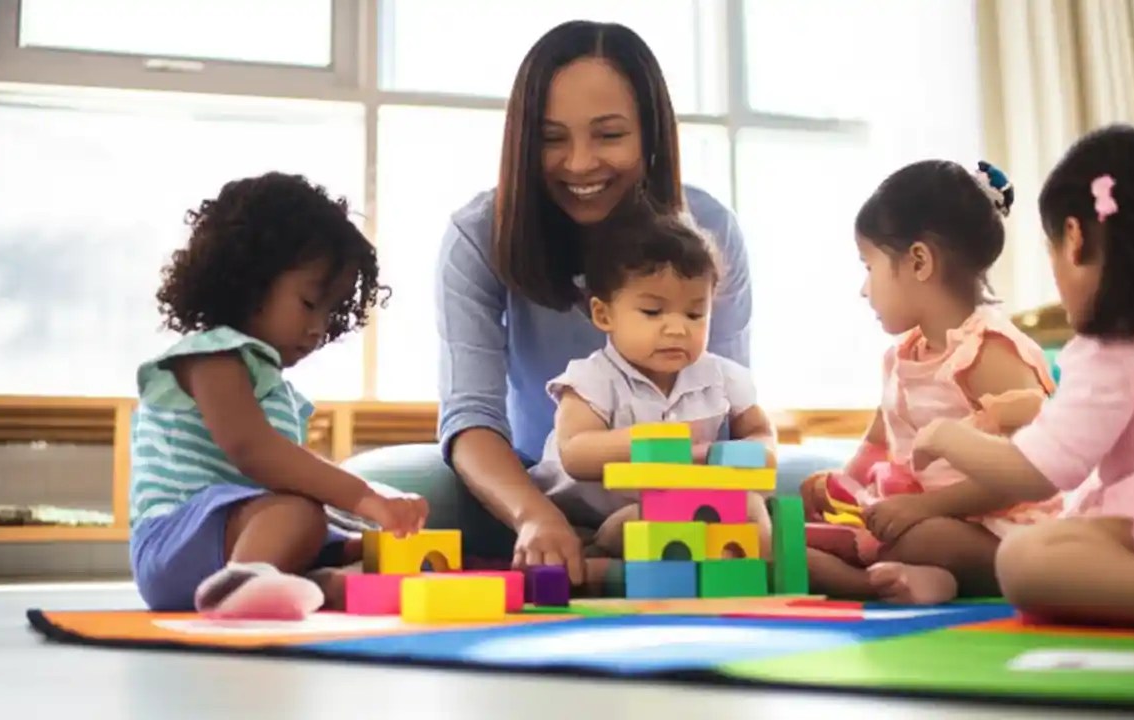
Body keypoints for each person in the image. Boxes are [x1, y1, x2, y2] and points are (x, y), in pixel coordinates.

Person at [435, 20, 760, 586]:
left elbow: (729, 407)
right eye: (552, 138)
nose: (580, 163)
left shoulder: (708, 229)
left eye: (609, 135)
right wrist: (536, 518)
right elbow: (472, 416)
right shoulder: (478, 236)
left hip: (679, 488)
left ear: (651, 134)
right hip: (540, 485)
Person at [912, 125, 1134, 638]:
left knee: (1027, 559)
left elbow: (1035, 472)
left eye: (1051, 250)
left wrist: (944, 436)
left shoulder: (1115, 343)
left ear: (1075, 238)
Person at [130, 172, 428, 618]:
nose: (317, 328)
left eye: (331, 313)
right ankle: (238, 588)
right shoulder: (211, 356)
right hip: (173, 544)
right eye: (309, 304)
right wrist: (363, 496)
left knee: (355, 546)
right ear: (249, 281)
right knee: (301, 513)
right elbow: (254, 451)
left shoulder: (269, 383)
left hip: (234, 534)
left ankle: (303, 585)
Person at [799, 160, 1061, 604]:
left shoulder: (988, 351)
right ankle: (888, 576)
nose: (865, 289)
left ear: (918, 261)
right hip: (916, 514)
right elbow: (877, 444)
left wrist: (923, 507)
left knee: (925, 539)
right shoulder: (902, 358)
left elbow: (1030, 473)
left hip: (997, 524)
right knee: (794, 527)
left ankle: (901, 572)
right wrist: (841, 488)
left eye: (869, 266)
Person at [530, 193, 776, 585]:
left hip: (682, 508)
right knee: (625, 540)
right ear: (604, 314)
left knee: (753, 511)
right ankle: (603, 563)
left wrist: (746, 454)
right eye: (653, 312)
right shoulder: (591, 378)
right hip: (583, 520)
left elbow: (760, 434)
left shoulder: (721, 376)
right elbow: (575, 452)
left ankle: (742, 589)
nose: (677, 328)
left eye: (695, 313)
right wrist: (666, 446)